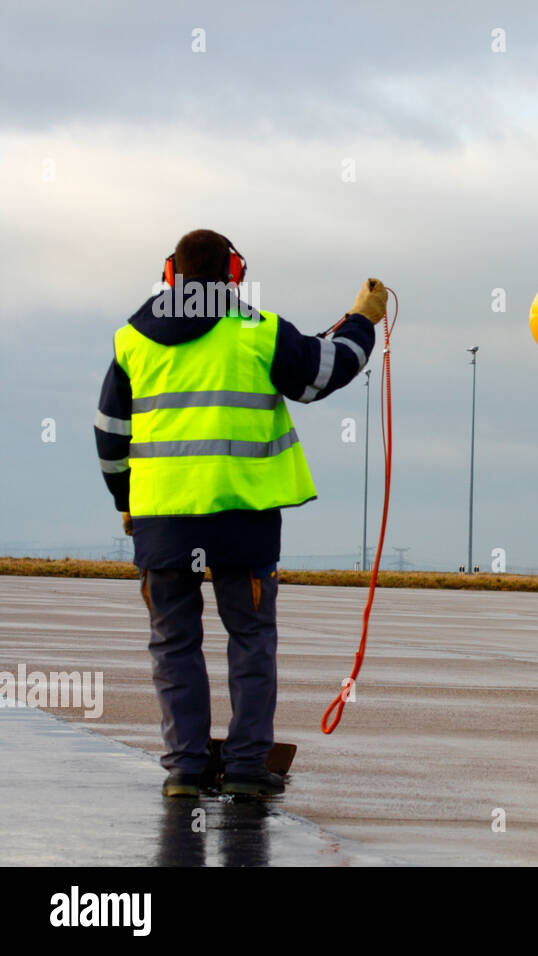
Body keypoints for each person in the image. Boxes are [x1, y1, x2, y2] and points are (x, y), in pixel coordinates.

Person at [93, 228, 387, 798]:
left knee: (174, 646)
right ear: (232, 274)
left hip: (163, 524)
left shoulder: (132, 341)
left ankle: (185, 768)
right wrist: (362, 319)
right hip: (243, 521)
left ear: (171, 275)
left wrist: (125, 501)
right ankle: (249, 769)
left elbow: (110, 434)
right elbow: (328, 370)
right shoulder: (259, 332)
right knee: (250, 639)